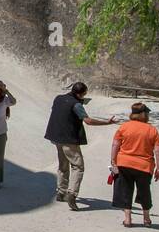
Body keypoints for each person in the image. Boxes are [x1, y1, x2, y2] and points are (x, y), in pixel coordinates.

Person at [44, 81, 118, 210]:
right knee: (78, 166)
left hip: (56, 137)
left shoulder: (58, 98)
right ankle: (72, 193)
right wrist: (107, 122)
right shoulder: (77, 104)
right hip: (69, 139)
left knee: (63, 165)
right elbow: (88, 121)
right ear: (79, 94)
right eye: (84, 94)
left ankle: (61, 192)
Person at [110, 102, 159, 227]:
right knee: (144, 191)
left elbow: (115, 145)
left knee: (126, 190)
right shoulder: (152, 130)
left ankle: (128, 219)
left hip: (124, 163)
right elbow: (158, 150)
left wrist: (113, 161)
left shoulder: (124, 127)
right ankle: (146, 219)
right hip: (144, 166)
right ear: (145, 114)